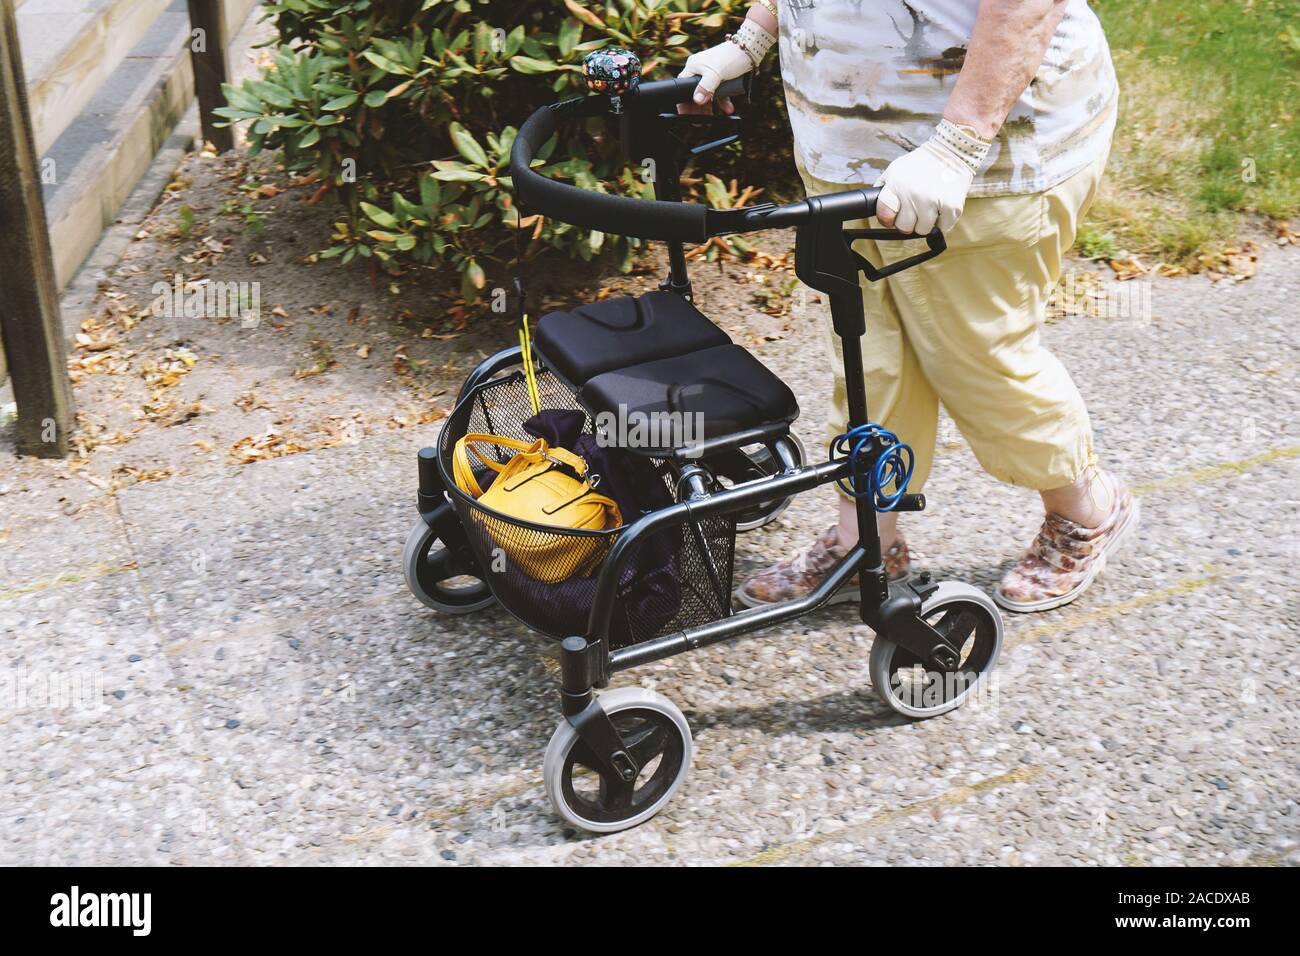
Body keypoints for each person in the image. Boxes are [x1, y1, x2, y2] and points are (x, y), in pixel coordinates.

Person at [678, 0, 1138, 613]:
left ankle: (1088, 510)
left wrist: (956, 147)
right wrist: (753, 38)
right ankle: (866, 542)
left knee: (976, 356)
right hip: (844, 157)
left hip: (990, 161)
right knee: (866, 354)